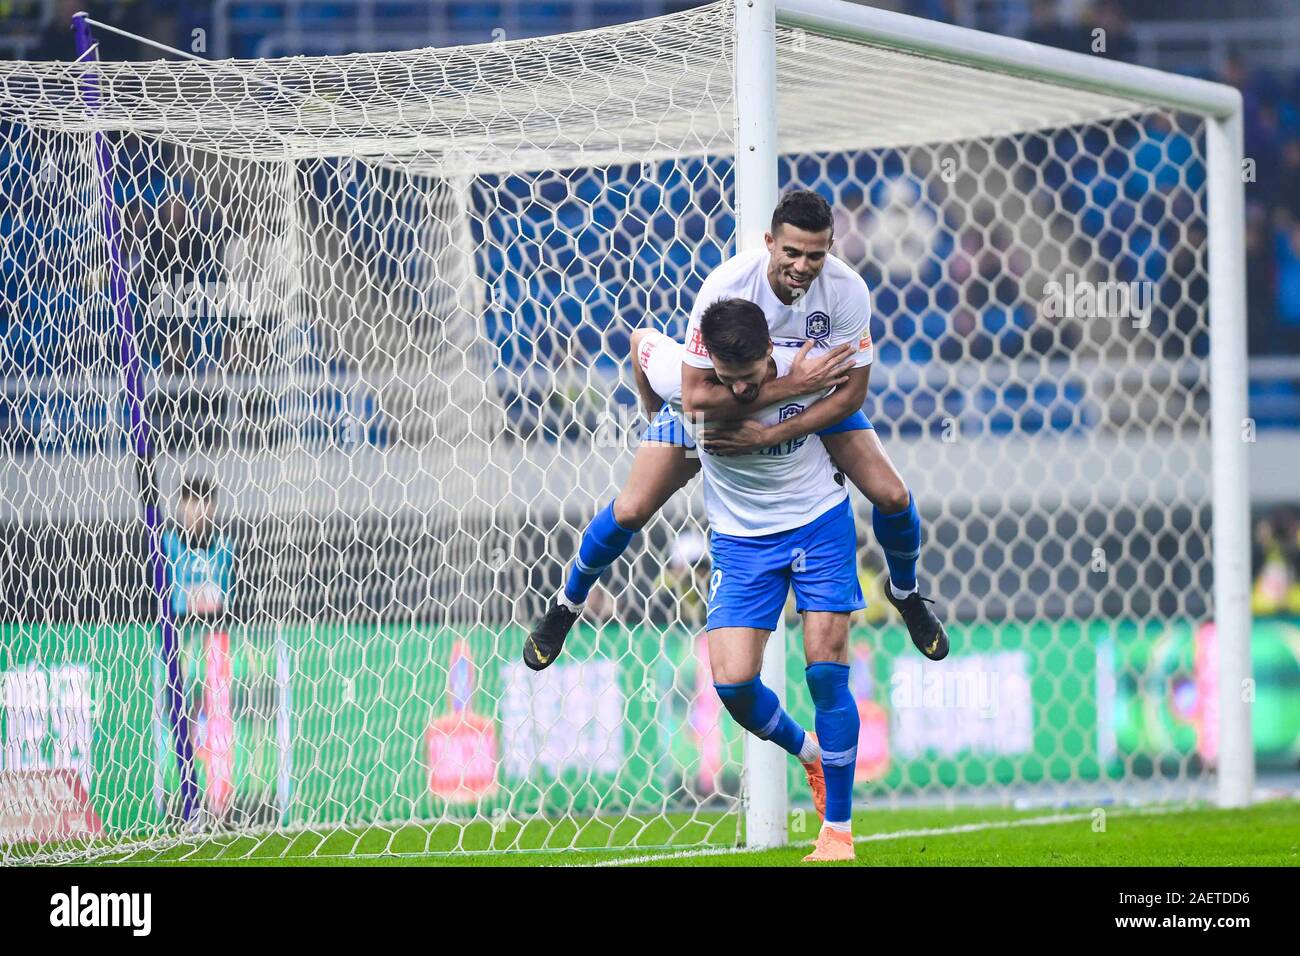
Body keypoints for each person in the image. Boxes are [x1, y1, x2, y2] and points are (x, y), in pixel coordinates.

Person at [524, 189, 947, 671]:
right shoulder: (727, 286)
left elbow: (851, 395)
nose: (803, 265)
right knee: (631, 509)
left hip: (813, 405)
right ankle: (567, 605)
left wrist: (776, 429)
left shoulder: (848, 292)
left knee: (892, 496)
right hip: (719, 412)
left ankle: (906, 593)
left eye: (816, 254)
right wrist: (654, 415)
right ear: (770, 242)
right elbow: (672, 370)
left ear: (829, 247)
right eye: (792, 252)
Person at [672, 297, 866, 861]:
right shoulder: (691, 380)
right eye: (725, 381)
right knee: (731, 684)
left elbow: (855, 393)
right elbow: (641, 347)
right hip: (743, 537)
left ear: (769, 355)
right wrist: (661, 421)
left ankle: (838, 831)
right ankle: (809, 753)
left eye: (747, 379)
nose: (736, 393)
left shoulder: (812, 365)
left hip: (817, 521)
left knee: (826, 672)